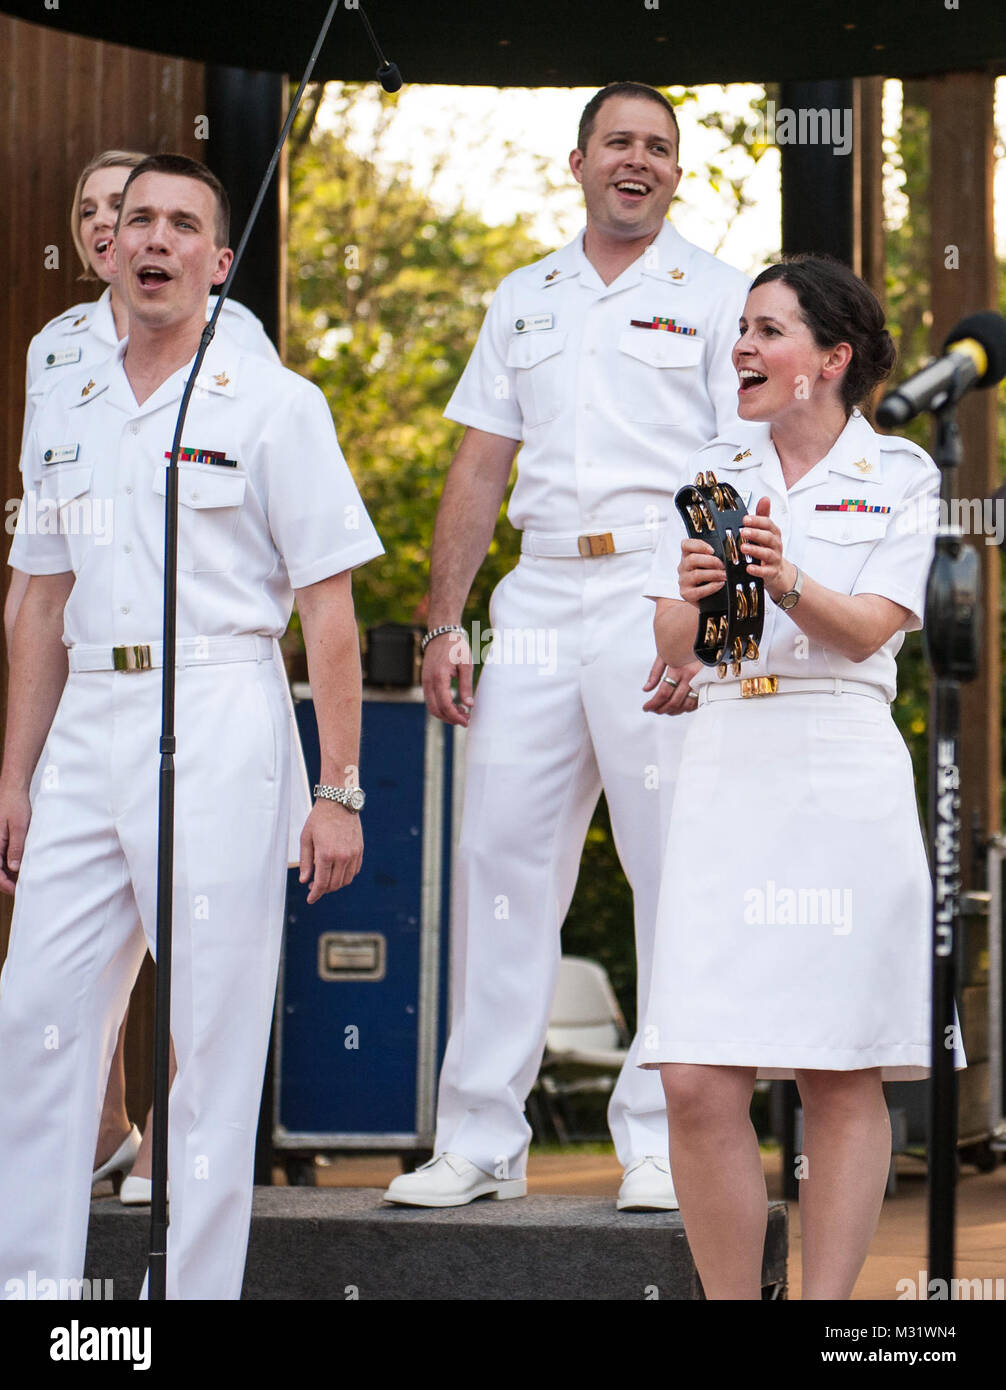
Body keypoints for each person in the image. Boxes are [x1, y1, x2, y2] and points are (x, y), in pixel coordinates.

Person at [0, 154, 382, 1299]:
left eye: (182, 224)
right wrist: (14, 774)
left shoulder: (275, 402)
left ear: (218, 262)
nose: (153, 239)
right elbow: (39, 599)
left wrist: (339, 785)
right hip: (84, 720)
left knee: (211, 1040)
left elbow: (330, 609)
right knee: (35, 1019)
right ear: (107, 249)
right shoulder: (64, 392)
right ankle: (37, 1297)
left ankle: (192, 1304)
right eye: (134, 222)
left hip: (217, 707)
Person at [384, 82, 748, 1212]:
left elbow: (733, 466)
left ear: (675, 174)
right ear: (577, 161)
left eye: (657, 148)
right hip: (536, 589)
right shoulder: (522, 295)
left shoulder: (721, 292)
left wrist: (701, 611)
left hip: (658, 580)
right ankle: (483, 1137)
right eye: (617, 144)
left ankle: (655, 1138)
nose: (635, 162)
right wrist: (448, 620)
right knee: (498, 864)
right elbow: (479, 465)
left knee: (667, 872)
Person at [639, 254, 965, 1298]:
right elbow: (675, 643)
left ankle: (825, 1316)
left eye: (768, 329)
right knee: (692, 1071)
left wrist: (787, 578)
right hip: (727, 761)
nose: (741, 344)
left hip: (841, 767)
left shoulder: (902, 474)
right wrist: (695, 598)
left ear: (829, 359)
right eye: (740, 327)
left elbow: (871, 628)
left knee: (838, 1064)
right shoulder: (707, 472)